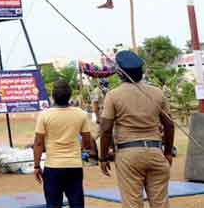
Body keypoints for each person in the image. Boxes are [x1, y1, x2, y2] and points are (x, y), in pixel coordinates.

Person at [99, 50, 174, 208]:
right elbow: (169, 125)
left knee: (132, 204)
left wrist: (103, 157)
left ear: (119, 73)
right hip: (155, 152)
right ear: (141, 71)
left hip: (128, 155)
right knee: (161, 204)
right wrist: (167, 152)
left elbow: (105, 129)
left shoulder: (113, 95)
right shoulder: (157, 93)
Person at [33, 80, 91, 208]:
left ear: (53, 96)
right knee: (77, 204)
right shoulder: (81, 114)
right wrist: (78, 150)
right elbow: (88, 140)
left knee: (53, 204)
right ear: (70, 95)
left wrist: (36, 166)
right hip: (74, 166)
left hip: (52, 167)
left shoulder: (44, 115)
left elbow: (38, 143)